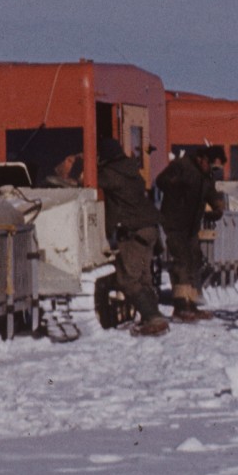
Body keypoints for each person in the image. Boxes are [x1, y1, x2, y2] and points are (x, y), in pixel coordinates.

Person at [96, 137, 168, 336]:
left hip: (133, 230)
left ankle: (153, 318)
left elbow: (86, 181)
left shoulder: (110, 173)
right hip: (150, 228)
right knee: (144, 277)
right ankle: (152, 317)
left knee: (127, 279)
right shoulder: (130, 169)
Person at [155, 145, 225, 322]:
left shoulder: (205, 175)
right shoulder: (182, 166)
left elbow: (210, 191)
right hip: (175, 222)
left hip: (191, 226)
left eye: (217, 169)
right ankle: (180, 306)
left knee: (194, 260)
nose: (213, 170)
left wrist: (217, 205)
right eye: (213, 166)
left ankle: (191, 303)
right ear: (203, 159)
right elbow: (161, 181)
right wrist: (178, 188)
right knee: (183, 261)